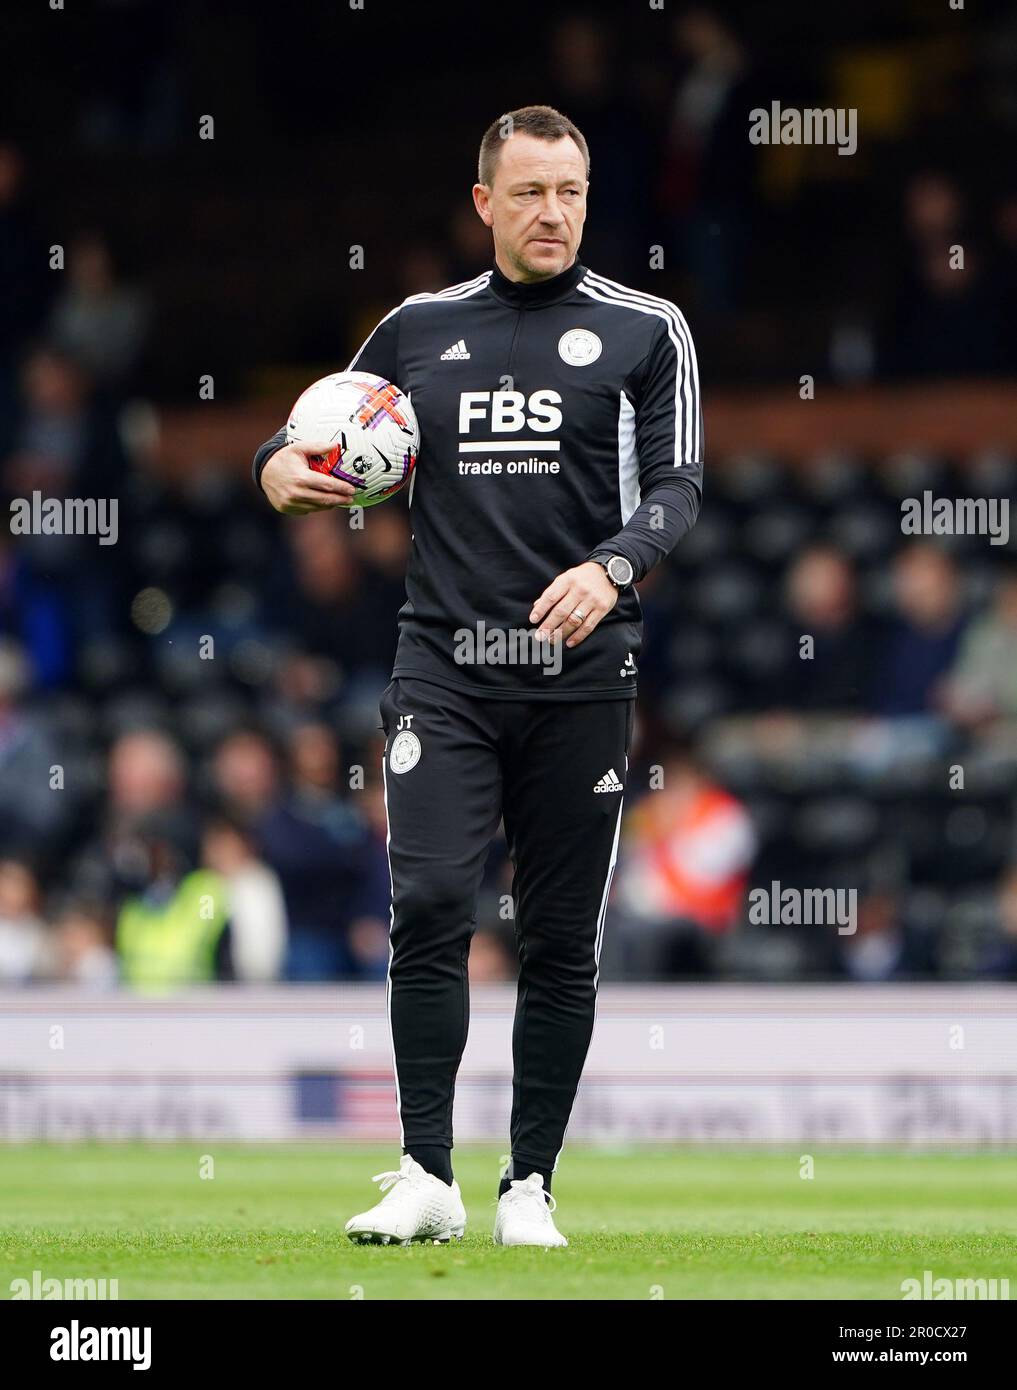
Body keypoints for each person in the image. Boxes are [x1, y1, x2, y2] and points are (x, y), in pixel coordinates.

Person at [251, 105, 703, 1247]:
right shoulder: (416, 328)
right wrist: (273, 474)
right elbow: (308, 433)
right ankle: (424, 1171)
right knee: (434, 905)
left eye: (572, 193)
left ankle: (530, 1185)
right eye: (532, 192)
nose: (554, 213)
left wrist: (615, 563)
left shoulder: (649, 329)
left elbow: (680, 486)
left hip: (581, 676)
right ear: (485, 203)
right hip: (444, 669)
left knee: (559, 936)